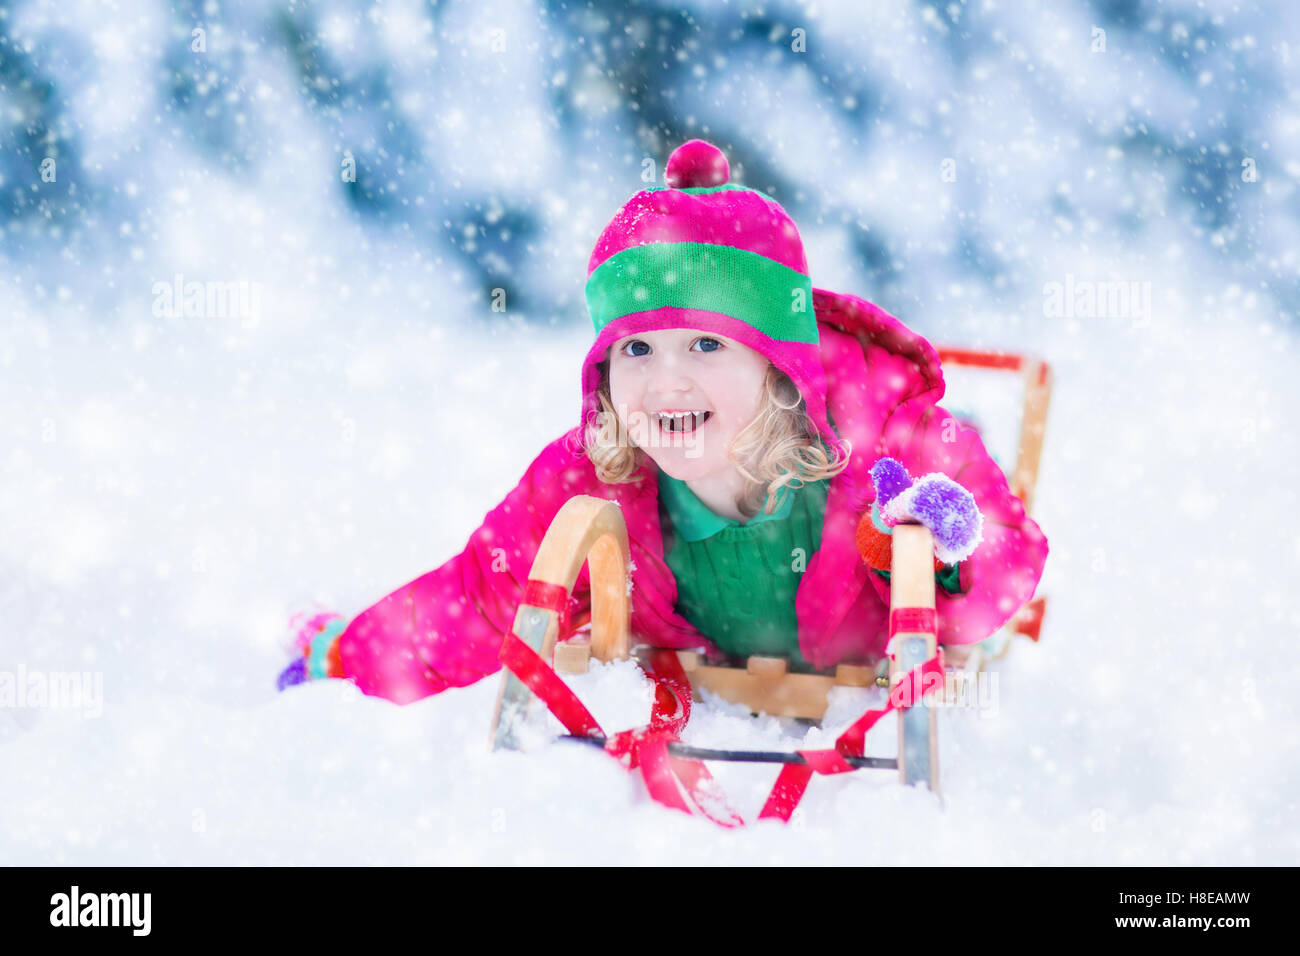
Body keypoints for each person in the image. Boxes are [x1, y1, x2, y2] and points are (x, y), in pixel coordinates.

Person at [277, 139, 1049, 704]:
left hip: (860, 594)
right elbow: (477, 599)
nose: (666, 379)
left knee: (944, 487)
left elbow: (1009, 549)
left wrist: (945, 554)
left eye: (707, 343)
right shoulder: (594, 477)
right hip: (727, 659)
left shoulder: (887, 435)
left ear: (779, 365)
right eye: (636, 347)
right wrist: (346, 655)